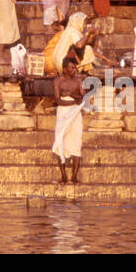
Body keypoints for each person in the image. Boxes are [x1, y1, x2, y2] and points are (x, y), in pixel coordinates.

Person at [52, 55, 88, 183]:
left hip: (76, 113)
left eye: (75, 68)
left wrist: (72, 96)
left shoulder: (79, 80)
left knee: (76, 142)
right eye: (71, 68)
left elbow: (81, 98)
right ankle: (63, 176)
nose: (74, 70)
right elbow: (58, 100)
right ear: (65, 69)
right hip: (63, 113)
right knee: (60, 140)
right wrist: (73, 102)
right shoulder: (57, 81)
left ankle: (74, 176)